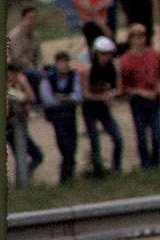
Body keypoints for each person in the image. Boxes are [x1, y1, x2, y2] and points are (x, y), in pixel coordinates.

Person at [117, 23, 160, 170]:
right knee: (141, 134)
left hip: (154, 97)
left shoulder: (154, 54)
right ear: (130, 39)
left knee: (157, 133)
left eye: (142, 36)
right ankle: (145, 164)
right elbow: (124, 86)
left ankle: (156, 162)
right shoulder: (125, 60)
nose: (139, 39)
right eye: (135, 36)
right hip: (138, 100)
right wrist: (139, 92)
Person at [80, 36, 125, 178]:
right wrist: (103, 97)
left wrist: (111, 94)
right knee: (95, 142)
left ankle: (116, 168)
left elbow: (119, 88)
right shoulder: (88, 69)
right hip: (89, 109)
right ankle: (98, 171)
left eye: (108, 54)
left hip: (103, 108)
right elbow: (85, 93)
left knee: (118, 138)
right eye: (103, 54)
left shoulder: (114, 68)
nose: (106, 57)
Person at [39, 50, 83, 183]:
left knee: (73, 143)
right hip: (57, 116)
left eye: (65, 62)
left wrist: (61, 97)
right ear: (56, 63)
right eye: (60, 62)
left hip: (70, 115)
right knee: (64, 144)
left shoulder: (73, 76)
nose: (63, 65)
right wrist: (67, 99)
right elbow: (47, 100)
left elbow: (78, 96)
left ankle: (68, 174)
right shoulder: (48, 78)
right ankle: (66, 175)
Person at [7, 60, 42, 186]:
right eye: (13, 73)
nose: (15, 76)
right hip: (10, 126)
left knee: (35, 156)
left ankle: (22, 180)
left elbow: (31, 97)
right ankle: (21, 181)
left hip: (18, 126)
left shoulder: (20, 80)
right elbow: (19, 97)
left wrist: (22, 84)